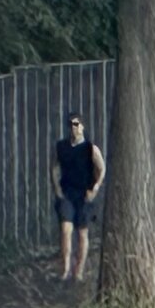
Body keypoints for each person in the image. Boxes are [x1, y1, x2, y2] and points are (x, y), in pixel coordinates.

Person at [50, 112, 105, 280]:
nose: (74, 128)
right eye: (71, 125)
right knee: (66, 231)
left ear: (82, 127)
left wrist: (95, 187)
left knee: (82, 233)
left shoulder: (91, 148)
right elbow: (53, 167)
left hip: (84, 195)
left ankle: (78, 271)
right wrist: (57, 188)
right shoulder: (61, 147)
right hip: (67, 193)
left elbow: (101, 169)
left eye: (77, 124)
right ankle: (65, 270)